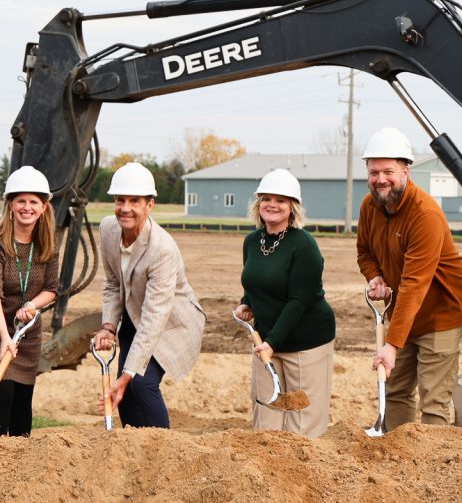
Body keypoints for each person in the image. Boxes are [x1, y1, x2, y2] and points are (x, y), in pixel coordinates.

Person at [356, 127, 462, 427]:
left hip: (440, 314)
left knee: (433, 400)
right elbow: (364, 253)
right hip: (404, 313)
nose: (380, 179)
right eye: (373, 172)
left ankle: (433, 467)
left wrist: (391, 346)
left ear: (405, 171)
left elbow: (414, 284)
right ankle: (398, 457)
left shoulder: (425, 215)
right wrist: (376, 277)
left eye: (388, 171)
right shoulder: (370, 207)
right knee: (394, 390)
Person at [93, 161, 206, 427]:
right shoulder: (108, 230)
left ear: (149, 205)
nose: (125, 208)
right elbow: (112, 283)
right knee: (128, 388)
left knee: (140, 383)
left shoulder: (162, 249)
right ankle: (132, 449)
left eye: (135, 201)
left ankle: (164, 451)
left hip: (172, 322)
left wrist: (126, 376)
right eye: (120, 200)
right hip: (134, 314)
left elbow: (156, 317)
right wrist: (108, 327)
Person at [232, 169, 336, 438]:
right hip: (267, 340)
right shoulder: (252, 242)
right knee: (267, 415)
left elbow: (299, 300)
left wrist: (273, 341)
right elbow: (255, 282)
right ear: (258, 204)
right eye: (267, 198)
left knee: (302, 422)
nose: (273, 205)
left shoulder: (304, 246)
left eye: (281, 200)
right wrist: (247, 304)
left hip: (305, 341)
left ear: (292, 207)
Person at [0, 166, 60, 436]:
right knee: (3, 389)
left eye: (33, 202)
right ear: (10, 204)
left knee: (21, 403)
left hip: (25, 329)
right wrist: (5, 336)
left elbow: (52, 289)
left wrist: (32, 306)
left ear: (43, 208)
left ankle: (16, 467)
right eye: (21, 201)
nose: (27, 207)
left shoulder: (48, 246)